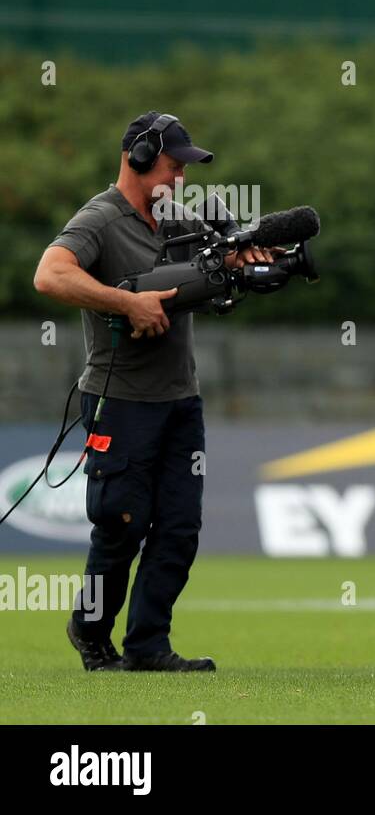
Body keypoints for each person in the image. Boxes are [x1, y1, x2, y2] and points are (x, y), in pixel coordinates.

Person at [34, 111, 262, 672]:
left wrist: (242, 259)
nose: (180, 177)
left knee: (181, 527)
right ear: (138, 159)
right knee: (122, 523)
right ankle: (91, 631)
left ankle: (148, 646)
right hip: (120, 399)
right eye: (171, 165)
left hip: (180, 399)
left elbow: (217, 265)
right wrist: (126, 301)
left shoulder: (177, 221)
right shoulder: (99, 219)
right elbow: (50, 274)